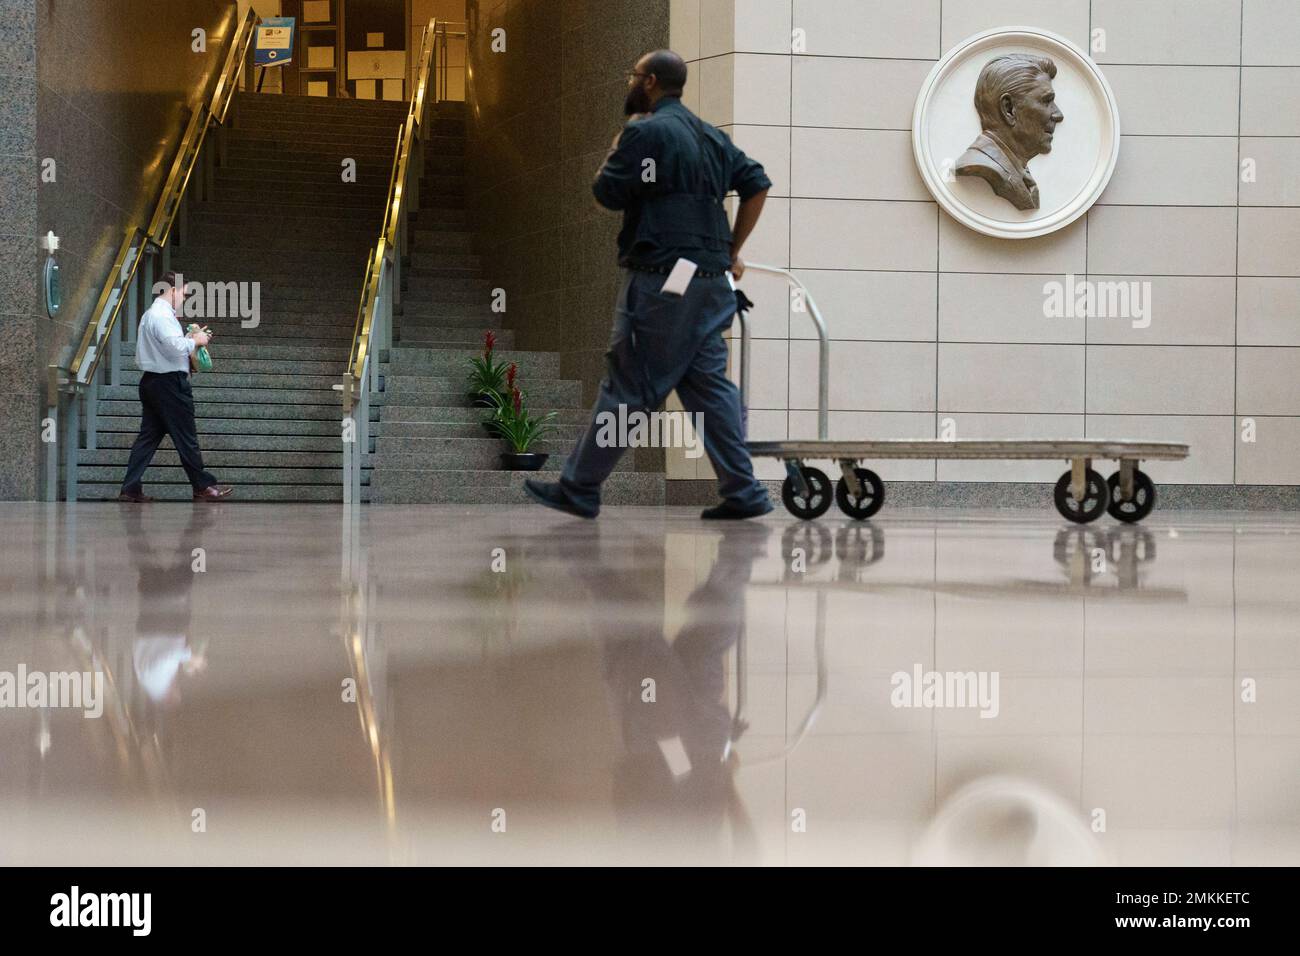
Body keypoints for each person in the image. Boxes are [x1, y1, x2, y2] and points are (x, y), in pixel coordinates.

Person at [525, 49, 773, 521]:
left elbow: (606, 194)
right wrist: (731, 252)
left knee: (630, 380)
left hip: (665, 284)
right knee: (707, 386)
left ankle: (578, 487)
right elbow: (757, 184)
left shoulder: (643, 131)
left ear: (652, 82)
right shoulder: (713, 137)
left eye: (634, 75)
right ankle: (744, 492)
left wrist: (621, 143)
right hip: (710, 284)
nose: (630, 82)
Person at [118, 272, 233, 502]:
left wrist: (188, 337)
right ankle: (203, 486)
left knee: (148, 438)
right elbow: (173, 347)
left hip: (153, 382)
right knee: (186, 436)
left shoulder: (151, 315)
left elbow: (167, 346)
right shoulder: (161, 315)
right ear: (172, 290)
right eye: (183, 293)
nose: (184, 298)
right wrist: (196, 340)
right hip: (169, 385)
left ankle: (130, 488)